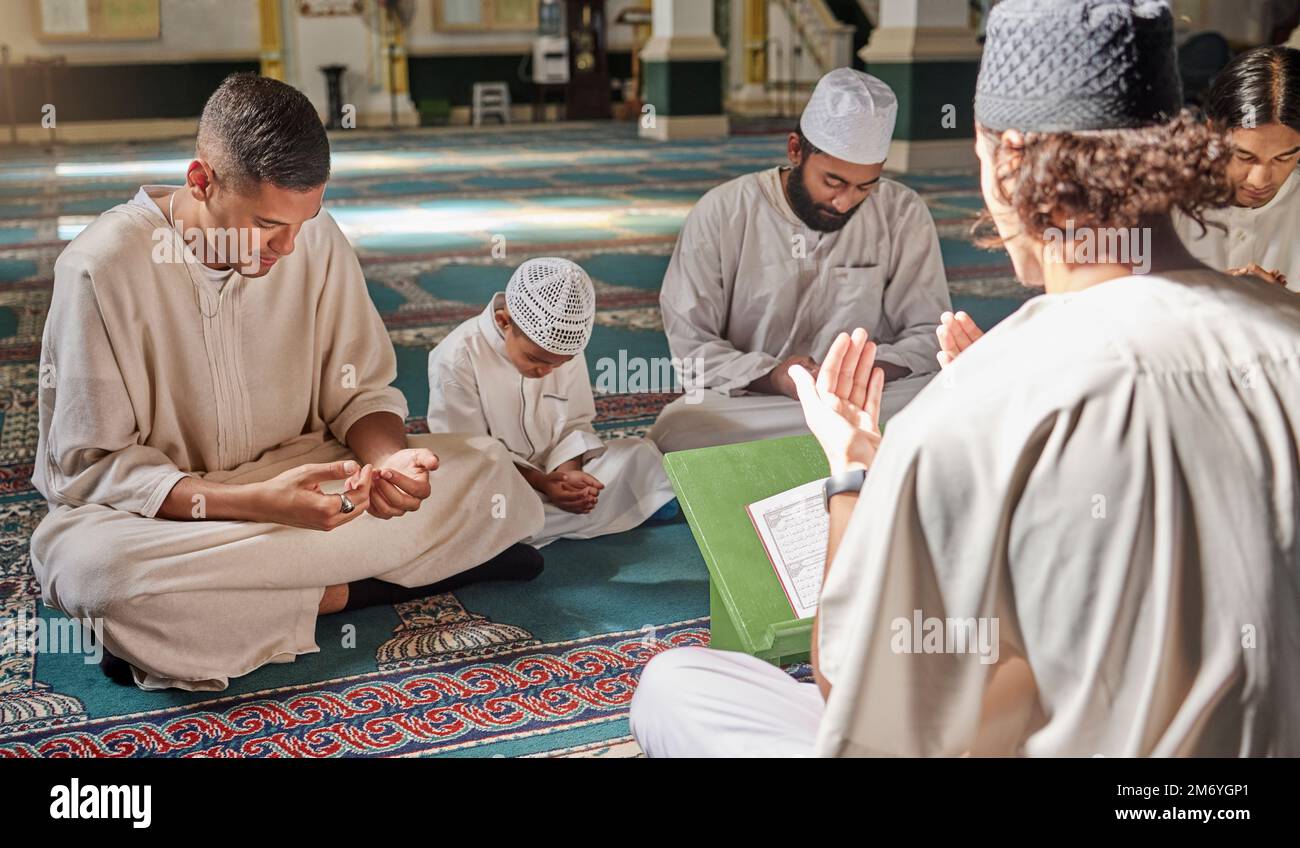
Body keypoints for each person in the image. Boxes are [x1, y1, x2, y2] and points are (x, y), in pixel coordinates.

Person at [630, 0, 1300, 757]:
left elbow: (853, 685)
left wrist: (853, 473)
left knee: (677, 685)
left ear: (1005, 158)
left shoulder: (980, 402)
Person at [30, 73, 546, 692]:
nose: (290, 247)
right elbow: (89, 469)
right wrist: (257, 502)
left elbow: (361, 392)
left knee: (489, 467)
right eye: (268, 225)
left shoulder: (311, 239)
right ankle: (352, 590)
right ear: (202, 181)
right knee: (96, 572)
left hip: (317, 483)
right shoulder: (100, 266)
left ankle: (218, 617)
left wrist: (389, 463)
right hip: (172, 515)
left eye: (307, 221)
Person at [647, 68, 951, 454]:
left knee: (951, 397)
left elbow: (929, 333)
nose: (845, 202)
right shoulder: (723, 212)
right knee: (681, 428)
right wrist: (776, 377)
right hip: (762, 402)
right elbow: (692, 346)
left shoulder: (902, 211)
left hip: (867, 399)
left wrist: (860, 376)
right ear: (795, 150)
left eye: (865, 187)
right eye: (834, 182)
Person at [427, 257, 677, 546]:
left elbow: (575, 422)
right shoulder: (458, 356)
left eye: (559, 364)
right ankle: (621, 506)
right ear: (503, 321)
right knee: (472, 504)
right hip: (498, 480)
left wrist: (568, 475)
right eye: (535, 359)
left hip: (551, 473)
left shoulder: (562, 343)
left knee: (641, 454)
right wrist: (541, 483)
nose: (546, 371)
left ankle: (518, 531)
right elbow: (468, 454)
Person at [1174, 45, 1300, 292]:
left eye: (1283, 158)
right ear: (1212, 131)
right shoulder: (1163, 199)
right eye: (1244, 155)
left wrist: (1286, 304)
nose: (1259, 180)